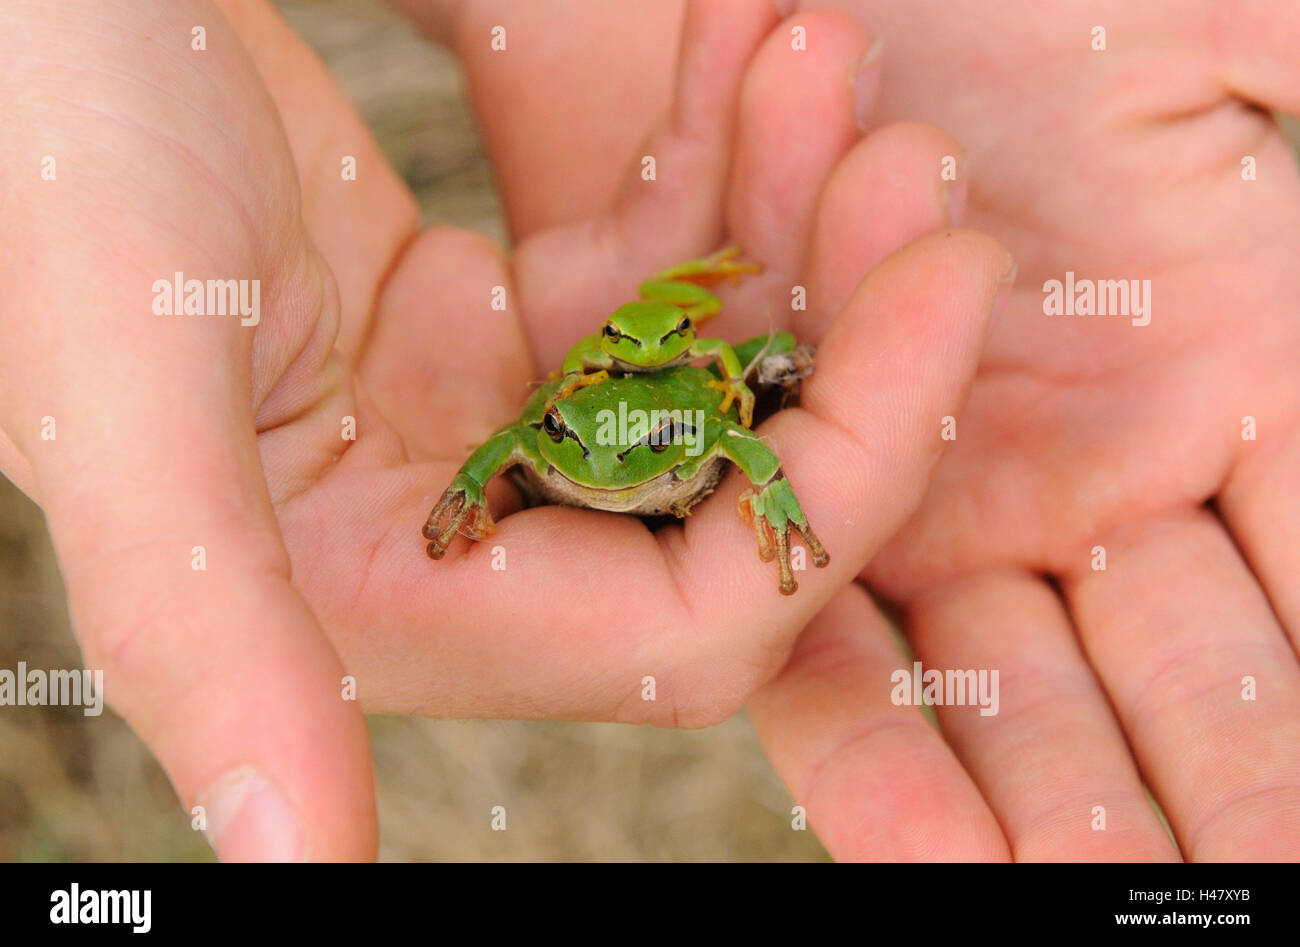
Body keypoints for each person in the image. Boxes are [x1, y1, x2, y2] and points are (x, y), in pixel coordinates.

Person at [1, 0, 1295, 861]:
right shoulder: (558, 436)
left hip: (699, 394)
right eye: (570, 447)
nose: (586, 466)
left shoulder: (691, 433)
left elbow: (734, 447)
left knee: (780, 369)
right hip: (606, 399)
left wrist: (774, 492)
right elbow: (515, 436)